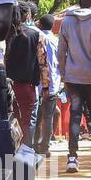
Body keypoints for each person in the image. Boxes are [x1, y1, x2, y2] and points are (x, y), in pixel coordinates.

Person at [57, 0, 91, 171]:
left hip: (73, 77)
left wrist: (64, 75)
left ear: (79, 1)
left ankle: (72, 158)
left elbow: (61, 51)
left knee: (75, 116)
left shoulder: (66, 21)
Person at [4, 1, 44, 147]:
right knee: (26, 122)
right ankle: (26, 154)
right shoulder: (35, 35)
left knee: (10, 119)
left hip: (5, 85)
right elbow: (42, 63)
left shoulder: (5, 34)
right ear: (27, 15)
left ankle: (13, 151)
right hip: (27, 87)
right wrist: (45, 86)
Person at [32, 13, 63, 156]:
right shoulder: (57, 41)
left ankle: (35, 146)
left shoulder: (36, 38)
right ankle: (44, 147)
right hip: (52, 84)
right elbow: (61, 62)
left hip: (37, 84)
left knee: (37, 117)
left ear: (40, 24)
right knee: (48, 116)